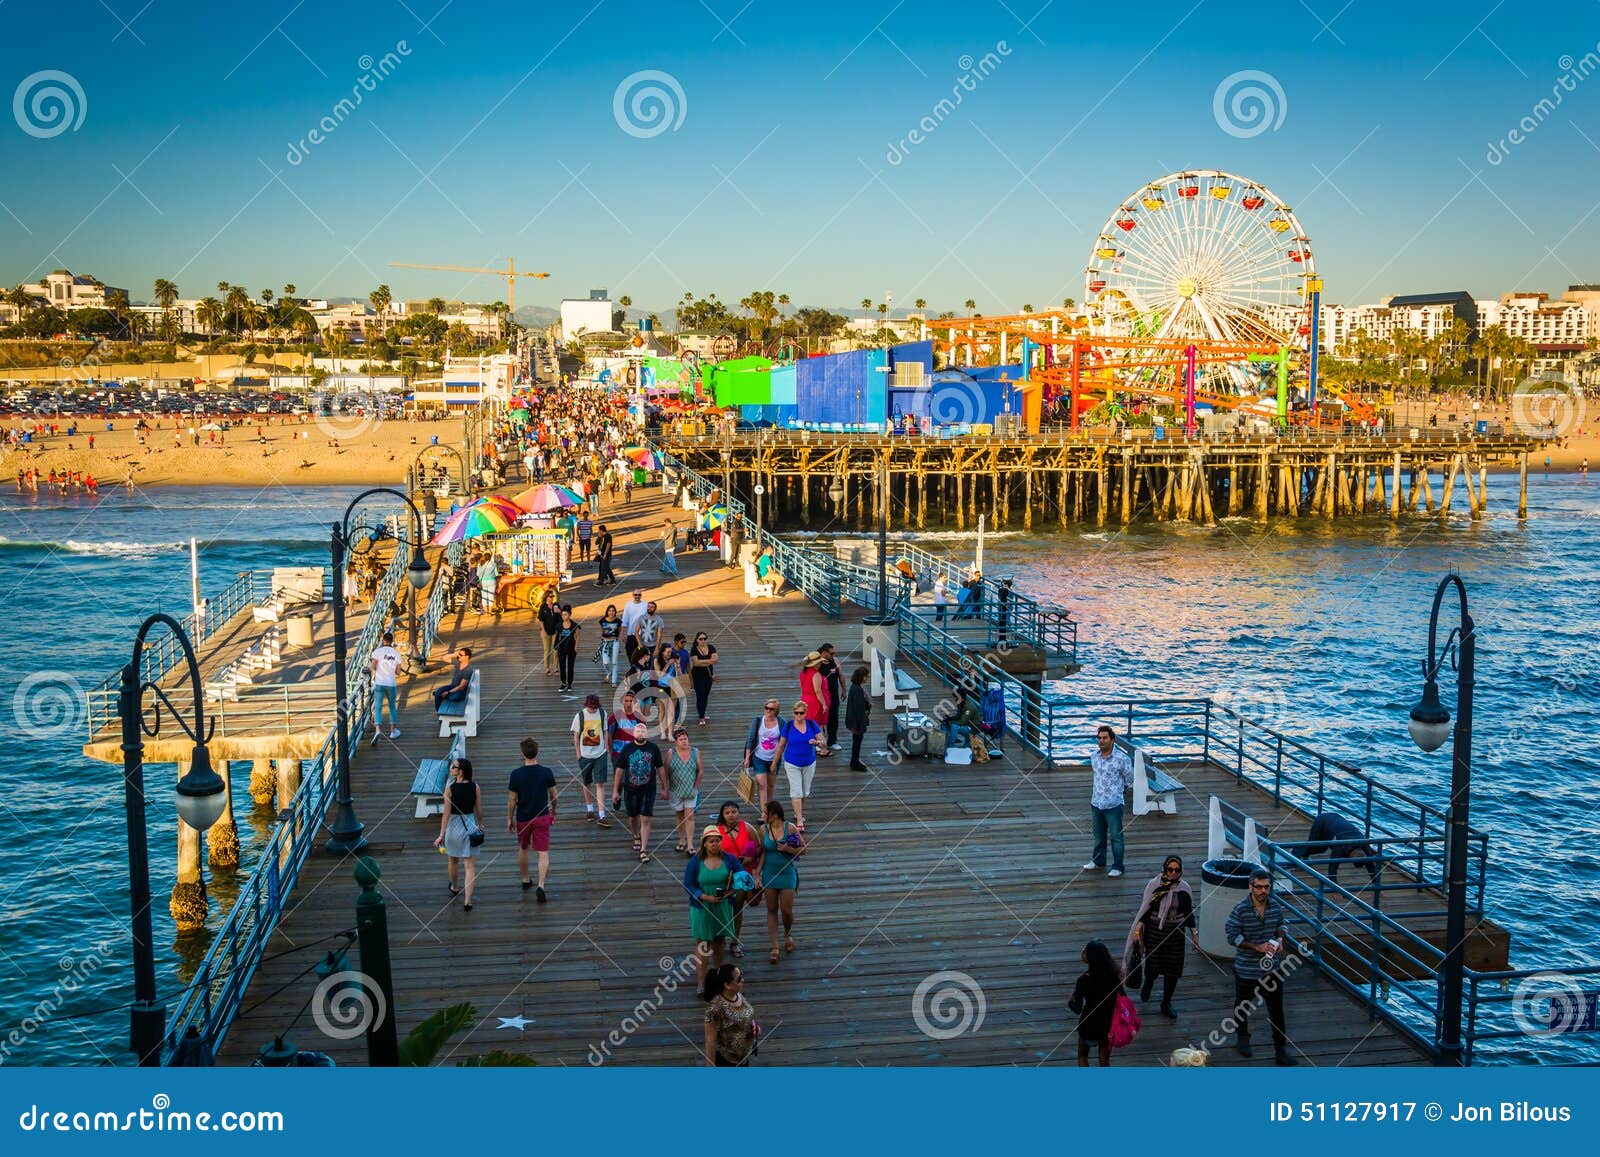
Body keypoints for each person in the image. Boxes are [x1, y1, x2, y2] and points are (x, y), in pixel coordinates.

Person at [1224, 869, 1297, 1064]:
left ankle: (1280, 1050)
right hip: (1246, 968)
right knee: (1242, 1006)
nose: (1263, 891)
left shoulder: (1275, 907)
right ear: (1251, 887)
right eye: (1259, 887)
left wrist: (1280, 939)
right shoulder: (1240, 909)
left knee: (1277, 1010)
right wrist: (1256, 946)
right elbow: (1232, 935)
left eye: (1266, 887)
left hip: (1271, 968)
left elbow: (1282, 924)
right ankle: (1242, 1038)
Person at [1123, 855, 1198, 1019]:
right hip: (1155, 930)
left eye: (1177, 870)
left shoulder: (1184, 888)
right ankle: (1148, 983)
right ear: (1165, 869)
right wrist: (1138, 927)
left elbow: (1188, 913)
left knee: (1173, 969)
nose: (1173, 873)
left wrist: (1194, 934)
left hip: (1176, 932)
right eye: (1170, 869)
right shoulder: (1154, 885)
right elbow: (1146, 908)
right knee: (1153, 965)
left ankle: (1166, 1002)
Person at [683, 827, 737, 996]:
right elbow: (689, 884)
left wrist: (731, 891)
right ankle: (701, 983)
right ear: (704, 843)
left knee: (719, 942)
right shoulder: (695, 861)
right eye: (711, 841)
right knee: (702, 943)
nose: (715, 844)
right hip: (702, 906)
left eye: (717, 840)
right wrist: (705, 896)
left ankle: (719, 982)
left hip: (722, 905)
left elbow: (741, 876)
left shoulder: (729, 859)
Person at [508, 737, 557, 903]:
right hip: (542, 816)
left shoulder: (516, 775)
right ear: (537, 752)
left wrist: (510, 818)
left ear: (523, 753)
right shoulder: (546, 772)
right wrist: (554, 810)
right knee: (543, 853)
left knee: (523, 848)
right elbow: (554, 796)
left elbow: (512, 800)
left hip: (523, 818)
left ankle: (525, 879)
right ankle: (541, 885)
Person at [757, 800, 803, 963]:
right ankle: (774, 946)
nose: (763, 816)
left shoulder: (789, 828)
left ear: (774, 814)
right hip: (769, 873)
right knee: (771, 909)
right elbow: (762, 852)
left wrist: (788, 849)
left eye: (765, 813)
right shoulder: (763, 829)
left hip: (787, 873)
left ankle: (787, 934)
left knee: (786, 910)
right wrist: (757, 874)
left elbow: (803, 850)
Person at [1084, 724, 1133, 877]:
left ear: (1112, 740)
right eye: (1099, 738)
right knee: (1098, 835)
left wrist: (1120, 790)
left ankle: (1118, 866)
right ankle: (1098, 861)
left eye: (1105, 738)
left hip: (1114, 804)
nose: (1101, 741)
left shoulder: (1122, 759)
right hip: (1096, 802)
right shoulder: (1094, 757)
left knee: (1116, 837)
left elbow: (1129, 779)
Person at [612, 722, 664, 863]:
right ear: (633, 734)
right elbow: (619, 770)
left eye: (643, 731)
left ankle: (643, 849)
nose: (640, 733)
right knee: (632, 817)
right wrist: (615, 791)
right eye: (638, 731)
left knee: (646, 819)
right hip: (631, 789)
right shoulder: (627, 749)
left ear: (647, 733)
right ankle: (636, 835)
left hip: (649, 789)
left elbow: (660, 768)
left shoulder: (653, 748)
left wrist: (665, 787)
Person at [716, 800, 762, 957]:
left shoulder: (747, 828)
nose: (731, 815)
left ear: (738, 812)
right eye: (727, 812)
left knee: (743, 906)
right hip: (726, 877)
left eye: (734, 811)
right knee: (729, 909)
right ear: (722, 815)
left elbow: (759, 848)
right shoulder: (717, 831)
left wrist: (753, 866)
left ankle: (734, 942)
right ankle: (724, 940)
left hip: (745, 874)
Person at [435, 755, 482, 909]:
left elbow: (446, 814)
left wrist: (441, 835)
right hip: (469, 827)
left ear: (461, 772)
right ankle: (468, 901)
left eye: (454, 767)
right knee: (469, 866)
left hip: (453, 827)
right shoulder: (475, 787)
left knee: (453, 861)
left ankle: (454, 887)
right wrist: (480, 824)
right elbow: (479, 810)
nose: (451, 769)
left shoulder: (450, 789)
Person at [1068, 940, 1123, 1067]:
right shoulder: (1114, 977)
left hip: (1089, 1024)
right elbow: (1122, 996)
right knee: (1104, 1060)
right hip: (1108, 1024)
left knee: (1082, 1056)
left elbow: (1077, 1008)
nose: (1082, 953)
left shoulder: (1084, 980)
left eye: (1085, 952)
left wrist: (1071, 1001)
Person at [771, 700, 824, 832]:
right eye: (796, 713)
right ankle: (800, 820)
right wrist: (774, 763)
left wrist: (816, 742)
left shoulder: (812, 725)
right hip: (791, 762)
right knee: (796, 791)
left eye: (801, 713)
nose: (799, 716)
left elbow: (823, 743)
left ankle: (798, 811)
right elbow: (781, 746)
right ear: (793, 713)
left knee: (805, 791)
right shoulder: (788, 726)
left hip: (809, 762)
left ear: (806, 713)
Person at [1302, 812, 1381, 884]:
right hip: (1322, 820)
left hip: (1337, 820)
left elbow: (1371, 867)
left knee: (1322, 847)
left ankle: (1304, 855)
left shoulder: (1365, 845)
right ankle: (1296, 852)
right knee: (1318, 847)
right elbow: (1332, 868)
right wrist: (1336, 890)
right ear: (1349, 857)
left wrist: (1376, 886)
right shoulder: (1339, 847)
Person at [702, 963, 757, 1066]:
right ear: (727, 985)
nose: (743, 980)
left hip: (743, 1058)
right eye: (739, 979)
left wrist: (753, 1027)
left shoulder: (738, 995)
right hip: (727, 1061)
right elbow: (710, 1041)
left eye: (742, 975)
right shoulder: (715, 1009)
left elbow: (744, 1016)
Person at [570, 693, 611, 828]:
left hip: (600, 754)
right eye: (591, 707)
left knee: (600, 783)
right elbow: (576, 736)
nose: (593, 709)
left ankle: (602, 814)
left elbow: (605, 731)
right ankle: (589, 810)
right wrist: (578, 754)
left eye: (595, 707)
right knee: (586, 783)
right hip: (585, 755)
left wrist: (605, 748)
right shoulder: (579, 716)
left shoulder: (602, 713)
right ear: (586, 705)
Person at [665, 727, 704, 855]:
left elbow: (701, 770)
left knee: (690, 816)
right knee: (679, 815)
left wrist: (696, 786)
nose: (684, 741)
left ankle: (690, 843)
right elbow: (665, 771)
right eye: (681, 739)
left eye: (685, 738)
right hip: (675, 789)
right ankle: (681, 840)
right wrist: (665, 788)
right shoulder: (671, 753)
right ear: (675, 741)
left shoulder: (695, 751)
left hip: (691, 789)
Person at [742, 699, 784, 809]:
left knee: (771, 785)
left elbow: (783, 743)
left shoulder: (781, 722)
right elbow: (750, 739)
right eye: (766, 708)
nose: (768, 711)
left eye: (771, 709)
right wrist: (747, 757)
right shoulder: (757, 721)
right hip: (759, 758)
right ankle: (764, 812)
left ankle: (769, 807)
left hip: (774, 758)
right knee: (761, 785)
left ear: (776, 711)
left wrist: (776, 760)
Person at [369, 629, 403, 744]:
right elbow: (398, 672)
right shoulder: (397, 654)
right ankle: (393, 731)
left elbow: (372, 666)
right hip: (391, 684)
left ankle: (378, 730)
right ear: (392, 641)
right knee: (392, 706)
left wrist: (374, 675)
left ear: (383, 641)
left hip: (379, 683)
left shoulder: (377, 652)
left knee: (378, 707)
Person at [799, 651, 832, 757]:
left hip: (805, 700)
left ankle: (808, 747)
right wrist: (823, 704)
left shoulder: (803, 672)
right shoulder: (815, 674)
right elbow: (817, 691)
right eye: (819, 662)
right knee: (819, 727)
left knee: (808, 725)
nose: (821, 664)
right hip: (815, 702)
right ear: (816, 663)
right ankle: (823, 750)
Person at [816, 643, 844, 755]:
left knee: (834, 717)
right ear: (824, 652)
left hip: (833, 694)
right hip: (821, 695)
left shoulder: (835, 661)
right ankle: (820, 743)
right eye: (831, 653)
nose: (833, 655)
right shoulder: (817, 663)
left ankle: (832, 741)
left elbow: (841, 676)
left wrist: (844, 690)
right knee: (820, 720)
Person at [844, 665, 872, 771]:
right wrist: (861, 725)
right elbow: (859, 709)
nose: (867, 678)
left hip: (855, 721)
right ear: (861, 677)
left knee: (856, 741)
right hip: (857, 722)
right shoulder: (858, 690)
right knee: (857, 742)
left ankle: (855, 761)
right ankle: (854, 762)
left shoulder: (855, 687)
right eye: (866, 676)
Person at [688, 630, 718, 725]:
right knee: (700, 695)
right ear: (697, 640)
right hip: (697, 676)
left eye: (705, 638)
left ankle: (703, 713)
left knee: (705, 695)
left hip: (708, 676)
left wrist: (702, 661)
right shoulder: (694, 649)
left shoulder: (711, 647)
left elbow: (715, 660)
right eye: (701, 639)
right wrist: (709, 661)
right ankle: (701, 717)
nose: (703, 640)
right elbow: (695, 663)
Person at [553, 604, 581, 691]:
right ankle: (563, 683)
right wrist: (555, 646)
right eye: (562, 615)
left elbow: (578, 636)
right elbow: (557, 636)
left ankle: (569, 684)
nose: (563, 616)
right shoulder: (559, 625)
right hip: (562, 648)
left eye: (565, 615)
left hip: (571, 648)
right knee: (562, 666)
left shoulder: (574, 625)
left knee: (570, 666)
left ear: (569, 615)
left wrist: (576, 647)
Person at [537, 588, 562, 677]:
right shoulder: (543, 607)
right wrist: (543, 630)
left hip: (556, 631)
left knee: (556, 649)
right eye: (550, 596)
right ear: (546, 597)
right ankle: (547, 668)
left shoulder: (556, 605)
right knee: (547, 650)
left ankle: (556, 668)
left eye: (553, 596)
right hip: (546, 631)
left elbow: (564, 616)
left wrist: (559, 611)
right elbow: (540, 620)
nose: (552, 598)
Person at [619, 589, 649, 662]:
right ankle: (633, 666)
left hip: (641, 635)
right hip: (630, 634)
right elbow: (625, 620)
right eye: (635, 595)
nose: (637, 596)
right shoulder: (628, 605)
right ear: (633, 595)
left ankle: (639, 667)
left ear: (641, 596)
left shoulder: (645, 605)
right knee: (629, 651)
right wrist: (623, 634)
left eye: (639, 595)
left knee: (640, 650)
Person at [597, 603, 623, 685]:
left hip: (615, 642)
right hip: (605, 642)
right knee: (606, 662)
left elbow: (619, 630)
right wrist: (603, 638)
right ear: (607, 612)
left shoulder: (618, 621)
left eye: (613, 611)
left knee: (614, 662)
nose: (611, 612)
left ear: (615, 612)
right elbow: (603, 630)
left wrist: (615, 637)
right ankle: (609, 672)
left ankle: (614, 682)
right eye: (609, 611)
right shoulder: (602, 620)